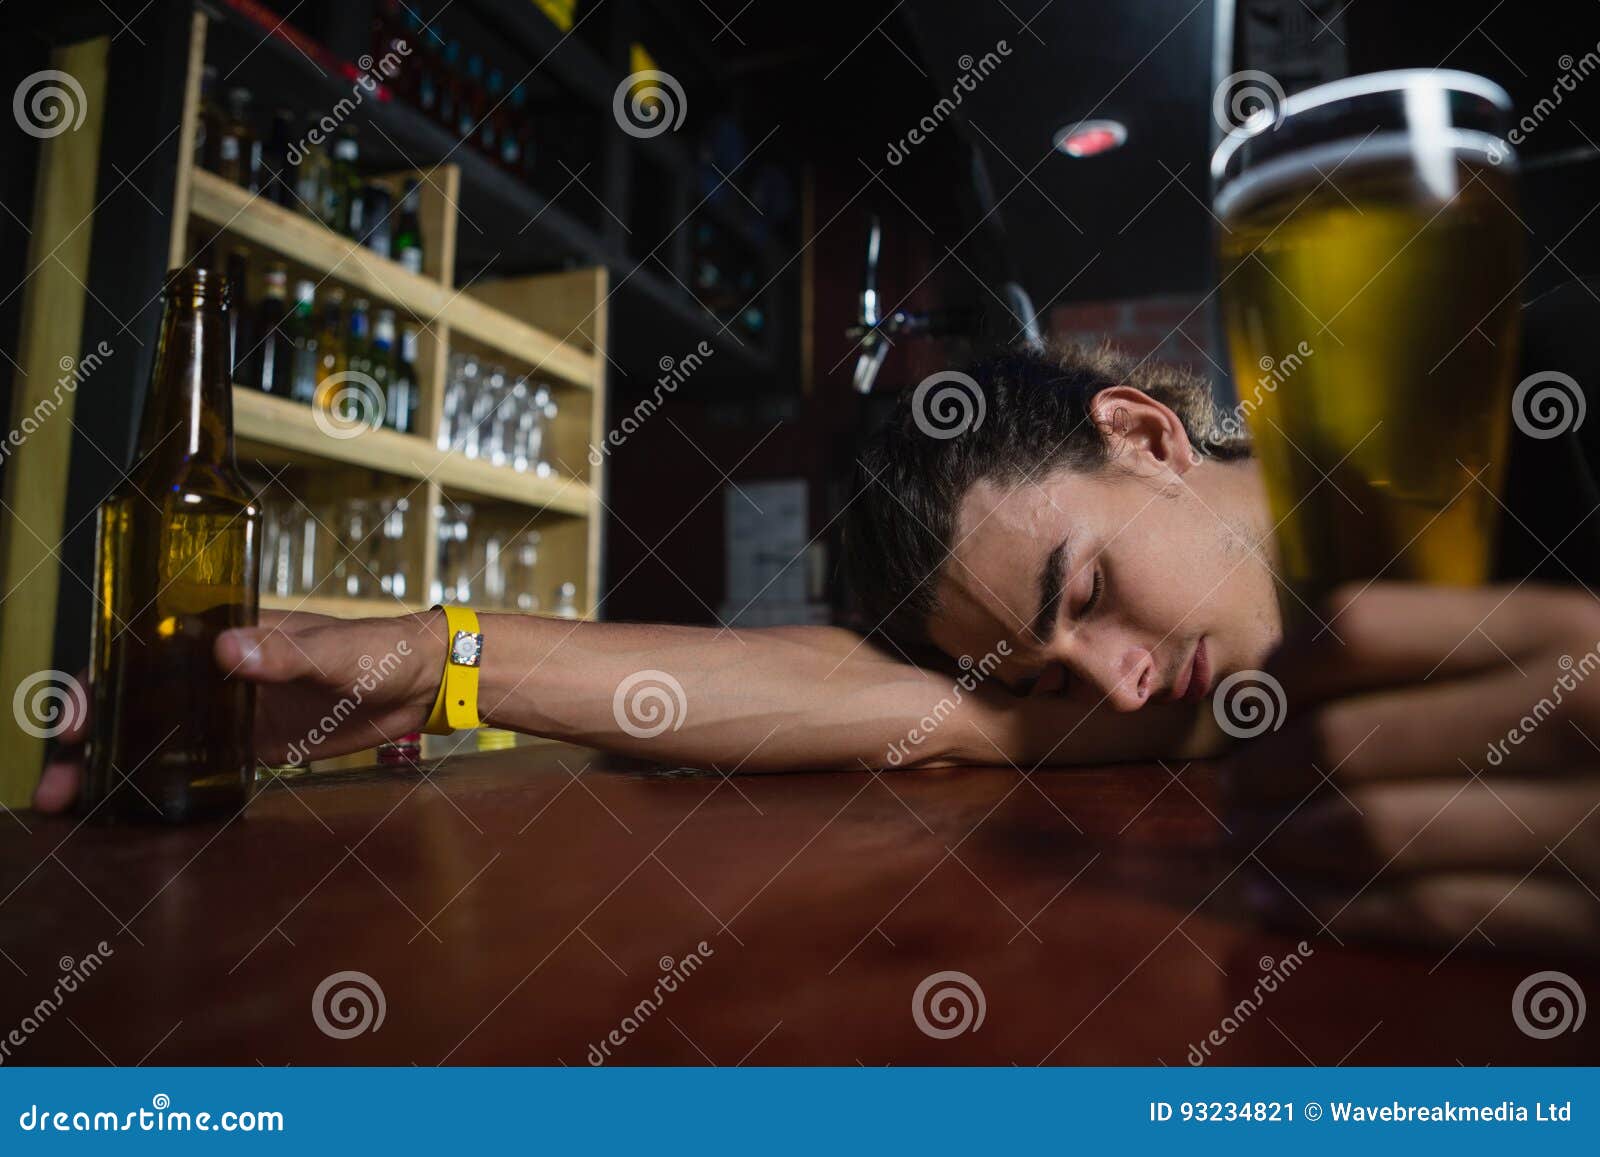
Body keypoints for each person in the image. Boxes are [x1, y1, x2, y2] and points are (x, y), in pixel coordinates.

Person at [35, 299, 1600, 954]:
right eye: (1048, 670)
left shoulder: (1520, 415)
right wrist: (436, 667)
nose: (1115, 685)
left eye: (1089, 596)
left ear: (1144, 432)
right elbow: (894, 704)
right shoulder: (1171, 673)